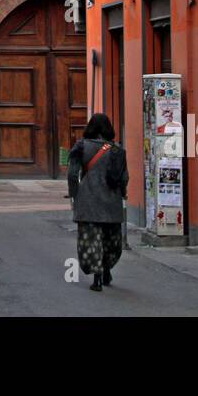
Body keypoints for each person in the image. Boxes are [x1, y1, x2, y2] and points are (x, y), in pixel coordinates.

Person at [67, 113, 129, 292]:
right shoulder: (118, 150)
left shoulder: (81, 146)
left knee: (91, 239)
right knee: (110, 240)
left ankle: (97, 279)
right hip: (112, 202)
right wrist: (122, 194)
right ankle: (107, 269)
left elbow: (72, 174)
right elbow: (124, 177)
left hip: (88, 200)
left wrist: (74, 194)